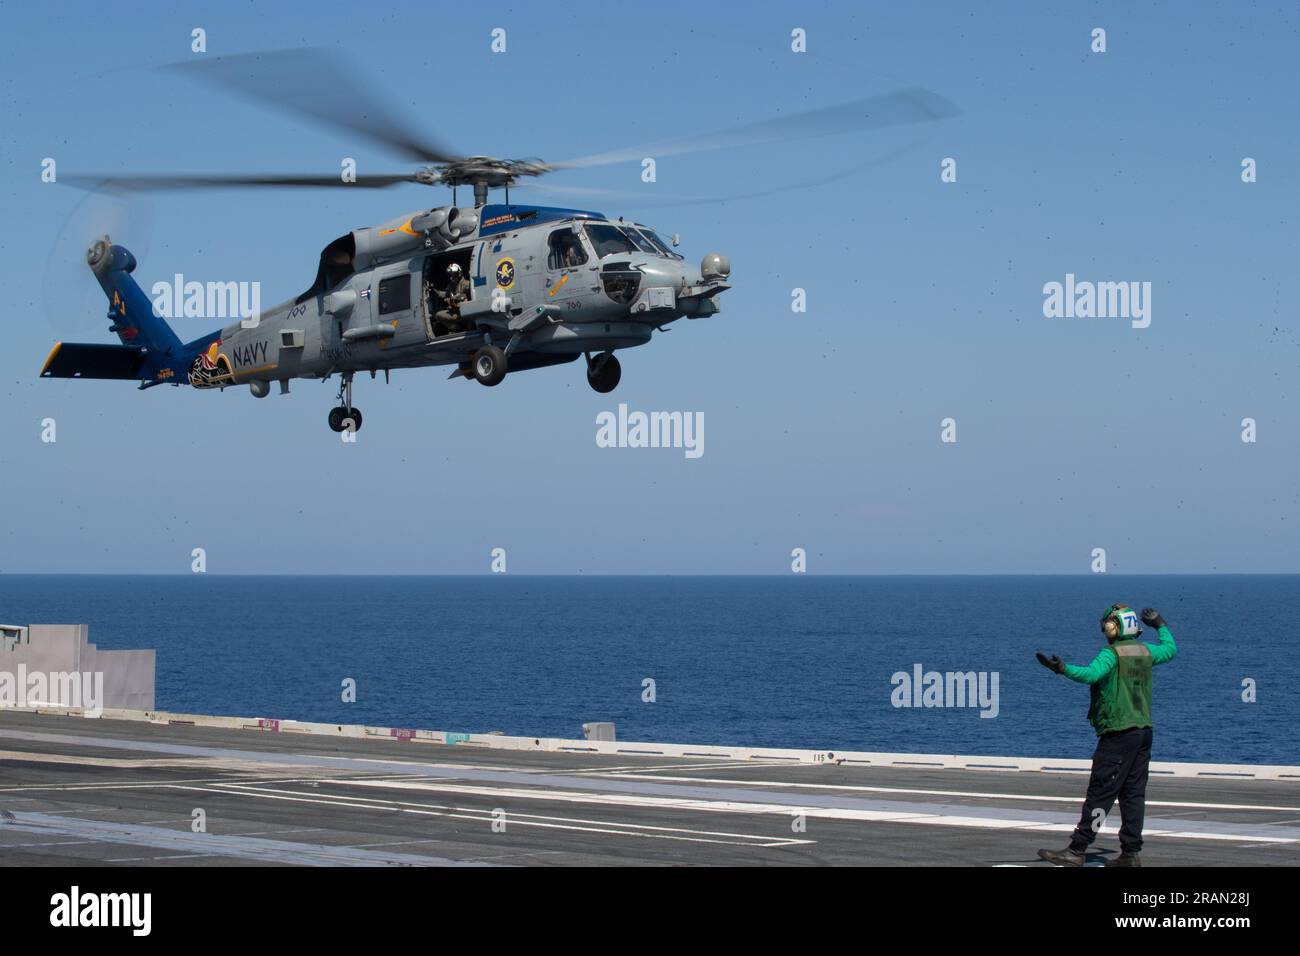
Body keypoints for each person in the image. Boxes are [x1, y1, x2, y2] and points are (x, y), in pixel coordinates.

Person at [1035, 605, 1178, 867]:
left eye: (1108, 624)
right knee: (1133, 795)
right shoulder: (1146, 651)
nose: (1104, 629)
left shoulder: (1111, 654)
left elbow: (1090, 674)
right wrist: (1161, 624)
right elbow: (1170, 649)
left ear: (1116, 626)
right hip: (1143, 732)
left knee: (1101, 793)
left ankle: (1078, 849)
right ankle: (1130, 854)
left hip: (1118, 734)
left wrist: (1062, 669)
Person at [431, 262, 471, 334]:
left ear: (459, 273)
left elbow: (468, 296)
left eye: (454, 274)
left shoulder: (466, 284)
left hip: (466, 312)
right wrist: (435, 291)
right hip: (455, 312)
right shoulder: (451, 286)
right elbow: (446, 294)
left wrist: (456, 298)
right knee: (438, 315)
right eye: (450, 275)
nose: (452, 277)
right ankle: (456, 328)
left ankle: (465, 326)